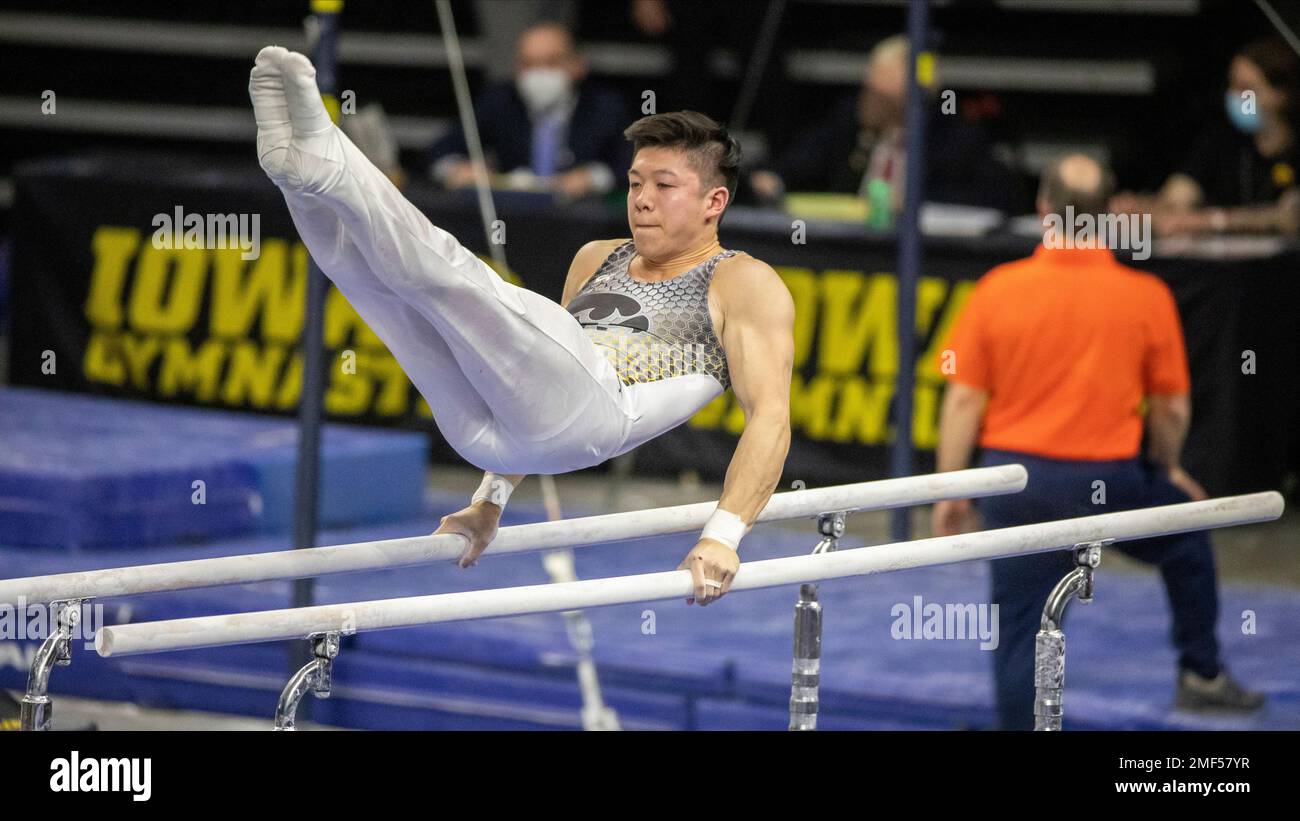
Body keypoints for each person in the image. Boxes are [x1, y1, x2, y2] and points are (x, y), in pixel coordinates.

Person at [250, 47, 794, 606]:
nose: (642, 201)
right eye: (634, 183)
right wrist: (490, 502)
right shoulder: (596, 256)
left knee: (453, 278)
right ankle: (297, 176)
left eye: (664, 186)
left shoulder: (741, 281)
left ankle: (330, 155)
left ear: (715, 202)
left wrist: (723, 535)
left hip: (599, 416)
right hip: (493, 438)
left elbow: (771, 419)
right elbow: (524, 370)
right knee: (389, 297)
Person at [931, 153, 1265, 729]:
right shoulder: (1147, 296)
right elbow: (1171, 409)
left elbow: (964, 400)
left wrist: (951, 489)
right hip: (1110, 485)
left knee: (1022, 629)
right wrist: (1168, 470)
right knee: (1186, 532)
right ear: (1109, 215)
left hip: (1019, 485)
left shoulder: (997, 290)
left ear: (1041, 210)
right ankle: (1201, 673)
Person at [749, 35, 1014, 214]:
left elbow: (996, 198)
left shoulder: (956, 140)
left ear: (910, 104)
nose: (867, 103)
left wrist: (913, 204)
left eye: (882, 98)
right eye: (867, 90)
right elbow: (797, 161)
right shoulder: (849, 120)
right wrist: (774, 179)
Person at [1113, 37, 1300, 237]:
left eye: (1246, 89)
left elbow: (1288, 216)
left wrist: (1211, 221)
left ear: (1280, 95)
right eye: (1232, 86)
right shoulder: (1220, 144)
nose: (1236, 97)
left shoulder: (1294, 150)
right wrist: (1143, 208)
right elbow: (1178, 197)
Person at [424, 21, 632, 200]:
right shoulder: (499, 102)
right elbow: (438, 151)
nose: (539, 73)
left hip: (581, 221)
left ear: (577, 64)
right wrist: (459, 169)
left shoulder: (605, 107)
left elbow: (632, 162)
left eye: (552, 62)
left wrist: (592, 177)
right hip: (515, 216)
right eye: (528, 64)